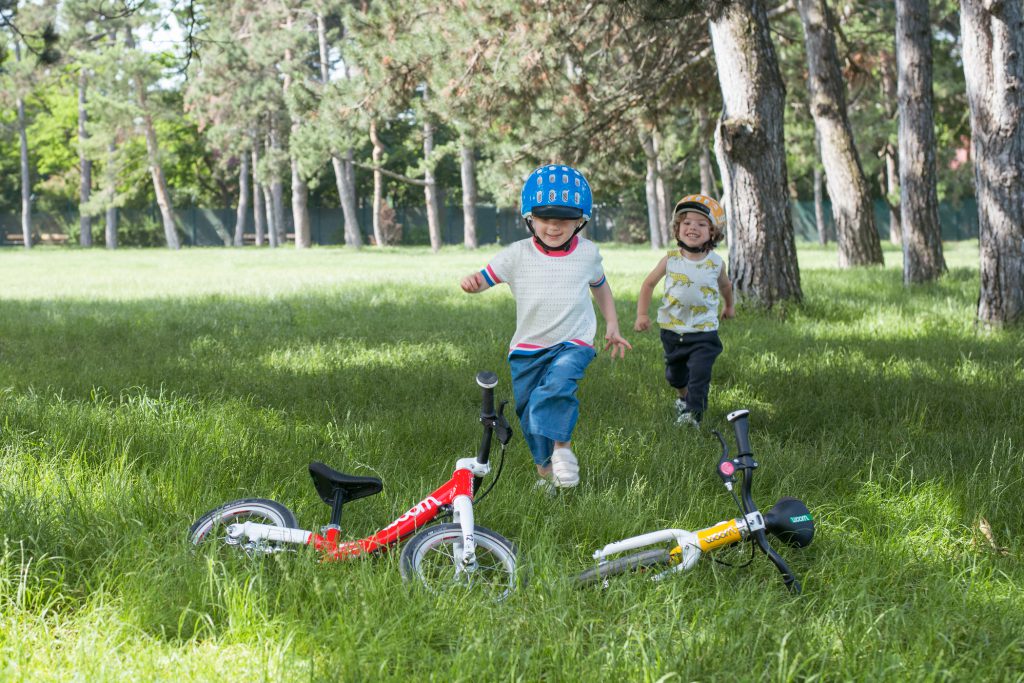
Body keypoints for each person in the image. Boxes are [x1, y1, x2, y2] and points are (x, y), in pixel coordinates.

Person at [460, 164, 631, 491]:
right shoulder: (517, 255)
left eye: (564, 220)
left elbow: (600, 285)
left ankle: (562, 448)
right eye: (545, 218)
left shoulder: (587, 254)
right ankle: (546, 471)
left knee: (557, 385)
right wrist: (473, 283)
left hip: (574, 342)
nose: (553, 227)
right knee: (529, 413)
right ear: (530, 218)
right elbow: (485, 278)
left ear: (580, 220)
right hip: (527, 349)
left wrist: (612, 323)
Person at [634, 194, 735, 427]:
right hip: (672, 330)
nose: (693, 228)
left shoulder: (716, 263)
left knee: (699, 374)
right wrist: (642, 314)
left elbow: (725, 286)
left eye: (701, 224)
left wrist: (729, 306)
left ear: (713, 232)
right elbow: (648, 284)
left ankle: (693, 414)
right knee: (675, 376)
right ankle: (683, 398)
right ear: (677, 228)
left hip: (704, 332)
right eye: (687, 222)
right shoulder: (670, 260)